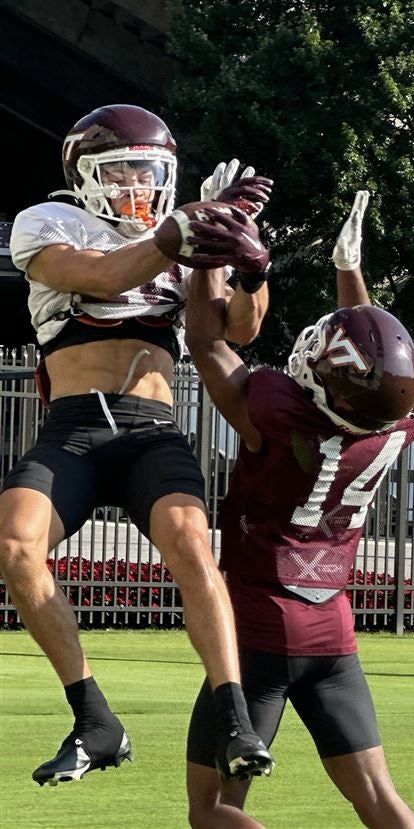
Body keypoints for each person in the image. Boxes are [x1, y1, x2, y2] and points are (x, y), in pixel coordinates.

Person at [0, 104, 276, 785]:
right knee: (13, 544)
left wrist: (250, 265)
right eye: (121, 169)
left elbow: (236, 330)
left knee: (189, 540)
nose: (136, 183)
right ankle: (95, 717)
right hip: (75, 427)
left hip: (151, 428)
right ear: (84, 173)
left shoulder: (172, 236)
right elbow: (102, 276)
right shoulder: (47, 221)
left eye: (148, 171)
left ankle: (234, 717)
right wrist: (182, 232)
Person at [183, 191, 414, 829]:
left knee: (212, 812)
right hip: (332, 630)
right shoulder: (397, 423)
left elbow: (205, 339)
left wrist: (210, 249)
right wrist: (349, 271)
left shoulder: (277, 411)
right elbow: (374, 364)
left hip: (257, 628)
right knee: (379, 798)